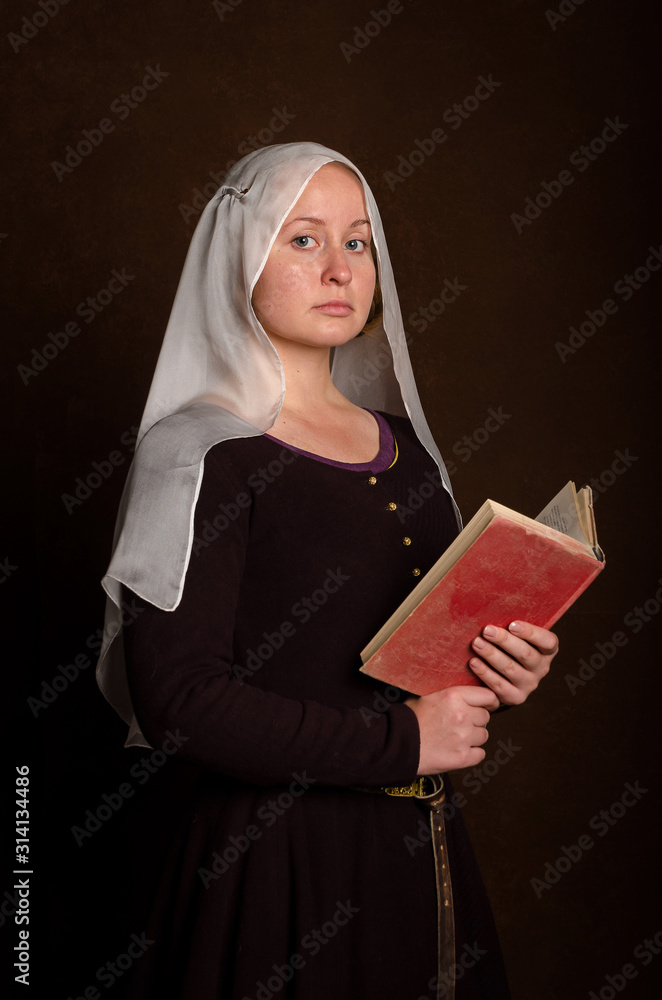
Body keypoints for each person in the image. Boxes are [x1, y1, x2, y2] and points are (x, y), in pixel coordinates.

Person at [97, 141, 559, 1000]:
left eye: (358, 241)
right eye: (303, 239)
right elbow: (181, 703)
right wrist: (398, 743)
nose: (339, 267)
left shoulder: (411, 453)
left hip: (420, 862)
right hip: (273, 868)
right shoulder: (200, 452)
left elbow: (424, 673)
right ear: (241, 257)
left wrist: (501, 665)